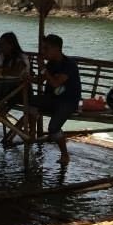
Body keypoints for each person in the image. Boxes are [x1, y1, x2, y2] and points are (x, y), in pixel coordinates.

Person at [34, 34, 81, 164]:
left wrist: (43, 68)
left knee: (53, 127)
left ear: (56, 49)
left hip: (68, 101)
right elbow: (41, 81)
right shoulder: (51, 64)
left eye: (46, 48)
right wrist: (31, 76)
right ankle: (27, 135)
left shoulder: (69, 64)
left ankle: (65, 155)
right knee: (29, 100)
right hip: (52, 99)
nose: (43, 51)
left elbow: (55, 83)